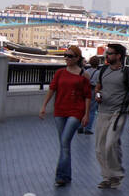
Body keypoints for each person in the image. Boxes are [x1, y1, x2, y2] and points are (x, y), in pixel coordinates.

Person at [39, 45, 92, 186]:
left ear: (77, 58)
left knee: (64, 142)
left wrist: (86, 115)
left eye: (70, 56)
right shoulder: (60, 73)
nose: (67, 58)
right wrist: (44, 106)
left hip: (76, 111)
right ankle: (66, 176)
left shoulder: (83, 75)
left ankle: (61, 176)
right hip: (60, 110)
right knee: (64, 144)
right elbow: (51, 89)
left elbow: (88, 96)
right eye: (66, 56)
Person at [93, 43, 129, 189]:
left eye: (110, 53)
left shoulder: (127, 72)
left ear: (118, 56)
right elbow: (98, 87)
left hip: (119, 112)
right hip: (103, 111)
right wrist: (97, 95)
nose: (107, 55)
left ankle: (116, 174)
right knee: (99, 148)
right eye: (107, 53)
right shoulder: (102, 70)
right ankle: (107, 177)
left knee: (110, 143)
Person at [81, 54, 103, 132]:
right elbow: (99, 86)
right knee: (92, 110)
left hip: (85, 90)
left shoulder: (86, 71)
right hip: (94, 91)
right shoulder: (99, 72)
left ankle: (80, 127)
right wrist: (99, 96)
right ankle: (88, 128)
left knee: (83, 109)